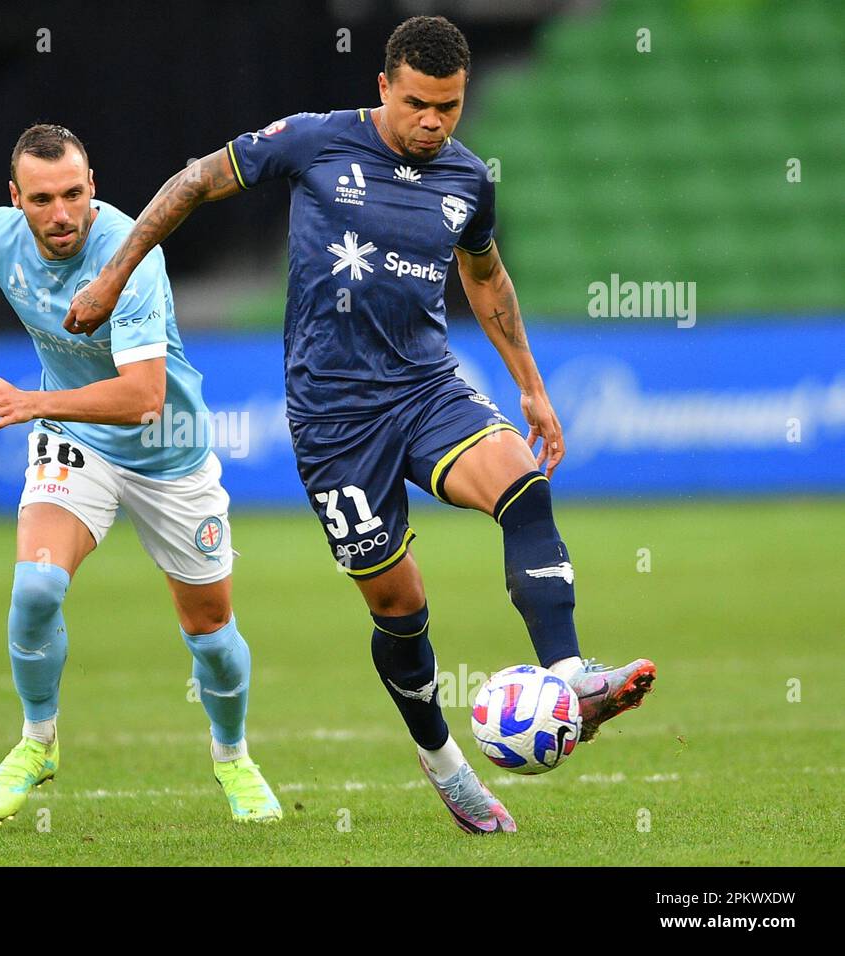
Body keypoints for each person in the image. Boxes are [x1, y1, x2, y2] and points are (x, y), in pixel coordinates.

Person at [63, 15, 655, 834]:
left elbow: (486, 280)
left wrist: (533, 387)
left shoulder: (467, 179)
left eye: (449, 107)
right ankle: (444, 763)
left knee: (524, 483)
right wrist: (111, 278)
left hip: (427, 388)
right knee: (399, 608)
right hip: (335, 421)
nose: (433, 123)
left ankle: (569, 674)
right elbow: (196, 182)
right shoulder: (311, 142)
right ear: (383, 87)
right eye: (418, 104)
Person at [0, 123, 282, 824]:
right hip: (75, 442)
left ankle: (232, 754)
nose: (62, 215)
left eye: (75, 195)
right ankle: (37, 741)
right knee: (37, 588)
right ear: (15, 199)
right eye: (44, 198)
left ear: (94, 188)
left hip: (167, 453)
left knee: (212, 633)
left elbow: (143, 397)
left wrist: (35, 401)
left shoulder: (130, 254)